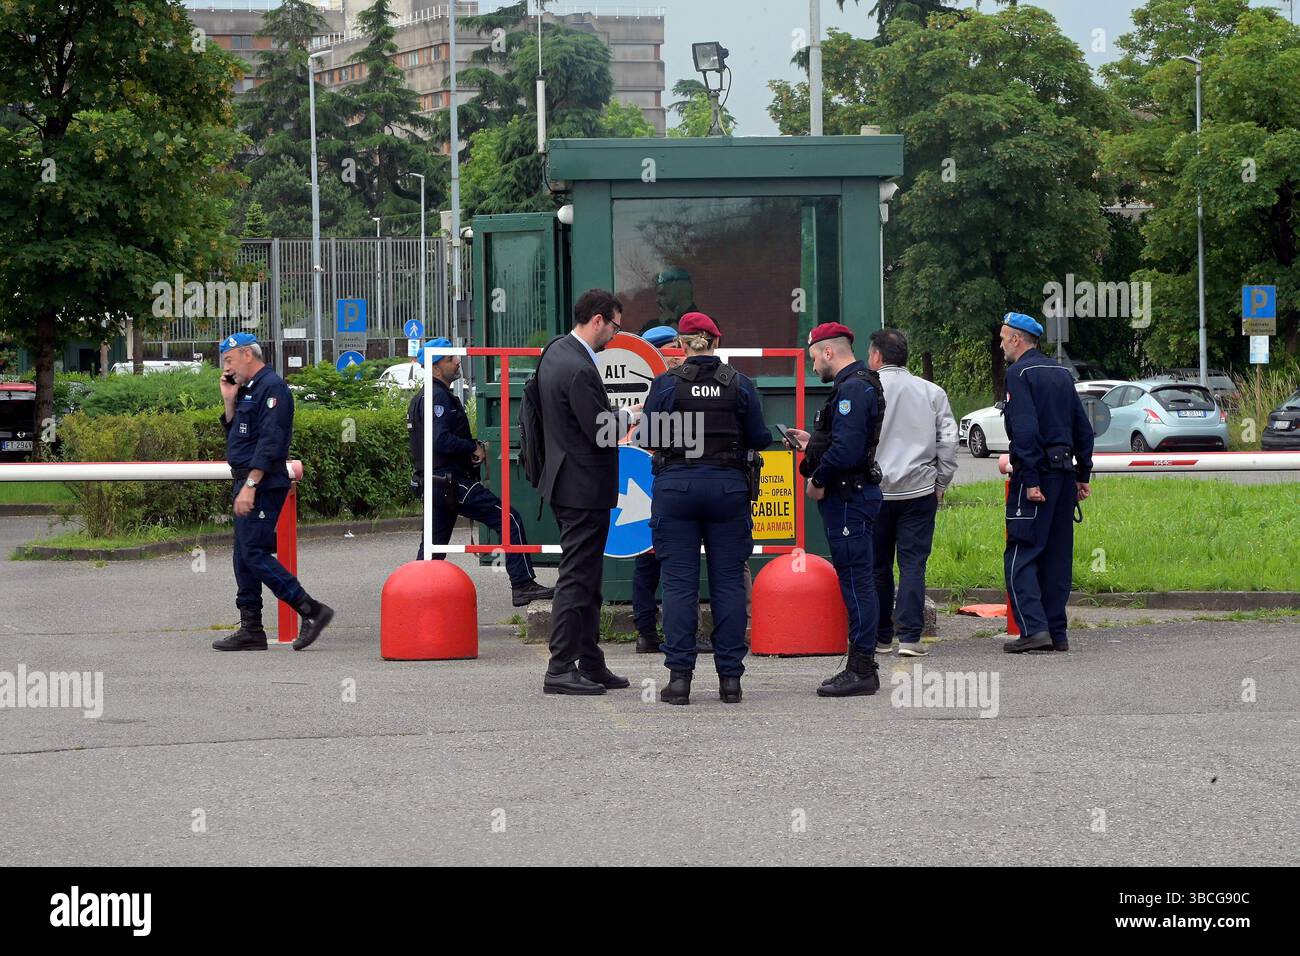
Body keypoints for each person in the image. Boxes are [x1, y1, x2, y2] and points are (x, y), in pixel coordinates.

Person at [640, 312, 771, 705]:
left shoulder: (665, 384)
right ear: (716, 342)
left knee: (679, 584)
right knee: (728, 582)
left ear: (681, 344)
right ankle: (730, 681)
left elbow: (647, 435)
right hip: (728, 488)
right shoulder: (740, 385)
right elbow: (760, 438)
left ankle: (680, 681)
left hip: (676, 486)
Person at [407, 337, 553, 607]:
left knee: (431, 549)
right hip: (450, 481)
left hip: (434, 482)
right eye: (451, 358)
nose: (458, 361)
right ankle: (522, 584)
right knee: (509, 519)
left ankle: (414, 601)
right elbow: (440, 440)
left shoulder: (424, 397)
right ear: (436, 366)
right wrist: (473, 447)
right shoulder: (437, 397)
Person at [211, 333, 333, 652]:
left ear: (247, 355)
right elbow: (236, 435)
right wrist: (228, 399)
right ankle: (251, 628)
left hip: (262, 483)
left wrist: (250, 485)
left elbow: (271, 442)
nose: (226, 366)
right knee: (243, 555)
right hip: (245, 480)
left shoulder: (273, 388)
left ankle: (311, 610)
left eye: (229, 359)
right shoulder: (247, 389)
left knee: (253, 553)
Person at [785, 323, 886, 697]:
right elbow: (845, 441)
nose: (813, 366)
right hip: (853, 495)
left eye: (814, 357)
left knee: (857, 582)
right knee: (858, 579)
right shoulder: (856, 385)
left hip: (847, 497)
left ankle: (862, 668)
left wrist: (817, 481)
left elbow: (846, 452)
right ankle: (861, 664)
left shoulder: (853, 388)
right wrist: (814, 442)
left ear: (828, 352)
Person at [537, 289, 629, 695]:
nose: (615, 335)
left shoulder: (555, 351)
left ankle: (590, 661)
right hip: (583, 487)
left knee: (588, 576)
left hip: (563, 479)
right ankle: (560, 667)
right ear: (597, 320)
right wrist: (629, 416)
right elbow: (601, 430)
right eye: (614, 326)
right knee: (577, 577)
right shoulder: (578, 367)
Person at [998, 312, 1094, 653]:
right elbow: (1083, 428)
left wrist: (1032, 479)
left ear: (1017, 339)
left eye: (1003, 337)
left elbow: (1024, 430)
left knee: (1020, 554)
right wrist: (1083, 474)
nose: (1001, 344)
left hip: (1035, 477)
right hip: (1065, 476)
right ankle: (1057, 632)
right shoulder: (1061, 374)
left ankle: (1034, 630)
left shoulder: (1018, 374)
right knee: (1056, 557)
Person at [868, 328, 958, 657]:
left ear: (877, 356)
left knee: (878, 566)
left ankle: (880, 637)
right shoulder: (932, 392)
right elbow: (949, 441)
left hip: (876, 492)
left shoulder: (866, 388)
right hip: (919, 491)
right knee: (912, 564)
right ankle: (909, 638)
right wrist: (940, 483)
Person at [629, 324, 715, 656]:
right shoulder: (674, 385)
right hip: (668, 476)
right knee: (676, 563)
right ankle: (677, 635)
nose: (676, 357)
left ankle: (646, 633)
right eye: (670, 352)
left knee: (648, 560)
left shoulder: (657, 386)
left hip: (649, 474)